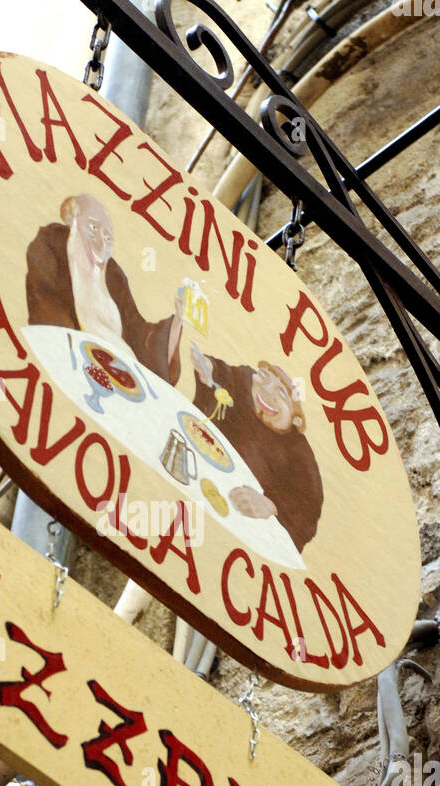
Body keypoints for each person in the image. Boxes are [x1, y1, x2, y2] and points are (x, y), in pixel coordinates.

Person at [25, 193, 183, 384]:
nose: (101, 244)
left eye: (108, 238)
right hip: (74, 374)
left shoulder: (113, 276)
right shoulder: (51, 246)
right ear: (72, 221)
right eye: (92, 227)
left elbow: (137, 332)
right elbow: (45, 310)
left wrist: (177, 321)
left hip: (123, 384)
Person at [191, 348, 323, 553]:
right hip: (191, 477)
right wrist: (210, 368)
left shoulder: (299, 452)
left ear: (295, 419)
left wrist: (272, 505)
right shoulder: (243, 385)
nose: (267, 391)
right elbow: (226, 376)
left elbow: (308, 508)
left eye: (281, 394)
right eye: (263, 377)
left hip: (233, 530)